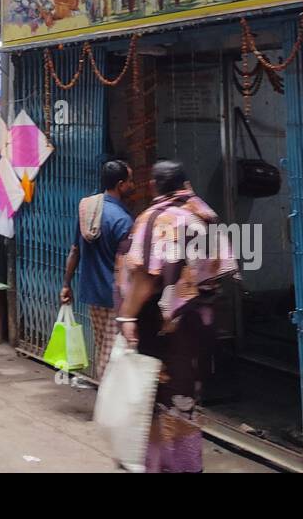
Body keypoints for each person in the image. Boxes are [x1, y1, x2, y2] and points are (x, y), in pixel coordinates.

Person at [117, 161, 237, 473]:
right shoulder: (203, 215)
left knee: (159, 397)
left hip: (165, 324)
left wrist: (126, 318)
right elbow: (219, 268)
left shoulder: (156, 219)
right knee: (187, 398)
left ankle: (161, 465)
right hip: (202, 322)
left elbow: (145, 276)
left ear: (153, 187)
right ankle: (187, 464)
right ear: (185, 184)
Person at [60, 160, 135, 381]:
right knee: (111, 354)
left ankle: (105, 396)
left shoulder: (89, 210)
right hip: (114, 297)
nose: (133, 185)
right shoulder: (122, 220)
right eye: (130, 181)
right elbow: (128, 265)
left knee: (103, 345)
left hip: (92, 293)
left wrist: (66, 284)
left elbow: (75, 250)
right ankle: (106, 403)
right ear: (121, 185)